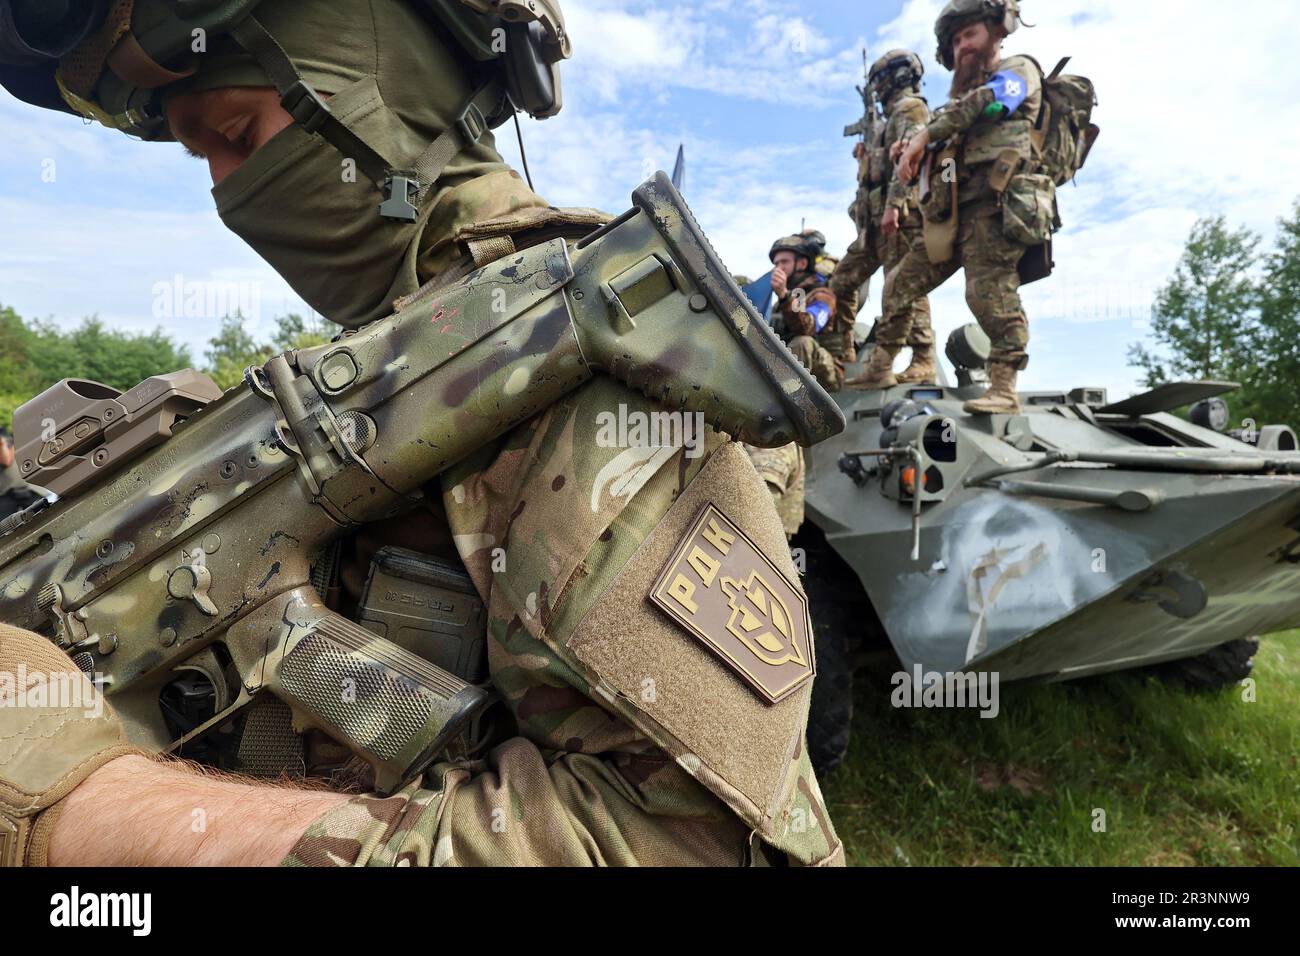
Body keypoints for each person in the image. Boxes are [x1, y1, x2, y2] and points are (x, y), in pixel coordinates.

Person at [0, 0, 841, 868]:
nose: (224, 193)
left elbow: (695, 844)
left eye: (237, 135)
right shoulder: (393, 355)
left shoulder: (565, 347)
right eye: (202, 158)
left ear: (373, 93)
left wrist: (86, 808)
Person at [890, 0, 1053, 414]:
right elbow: (944, 143)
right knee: (899, 284)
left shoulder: (1018, 73)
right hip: (952, 215)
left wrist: (926, 135)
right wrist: (911, 149)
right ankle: (897, 364)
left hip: (997, 208)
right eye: (957, 39)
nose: (963, 45)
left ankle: (1003, 388)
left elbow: (993, 103)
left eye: (970, 34)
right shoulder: (950, 111)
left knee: (990, 298)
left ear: (997, 32)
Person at [830, 50, 937, 390]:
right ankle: (844, 353)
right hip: (872, 226)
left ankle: (922, 359)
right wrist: (868, 157)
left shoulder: (910, 108)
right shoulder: (888, 119)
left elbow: (912, 158)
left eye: (879, 80)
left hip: (898, 218)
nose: (875, 88)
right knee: (842, 281)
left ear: (897, 76)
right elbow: (882, 168)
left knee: (904, 289)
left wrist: (895, 205)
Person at [770, 235, 842, 393]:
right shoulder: (778, 304)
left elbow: (808, 327)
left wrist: (784, 296)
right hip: (785, 365)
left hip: (824, 372)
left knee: (802, 342)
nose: (778, 268)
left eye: (784, 262)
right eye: (776, 264)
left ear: (802, 263)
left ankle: (785, 405)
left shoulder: (823, 295)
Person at [0, 427, 45, 520]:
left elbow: (7, 459)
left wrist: (3, 443)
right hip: (5, 495)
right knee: (6, 528)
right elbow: (6, 460)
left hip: (28, 488)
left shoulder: (6, 434)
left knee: (45, 515)